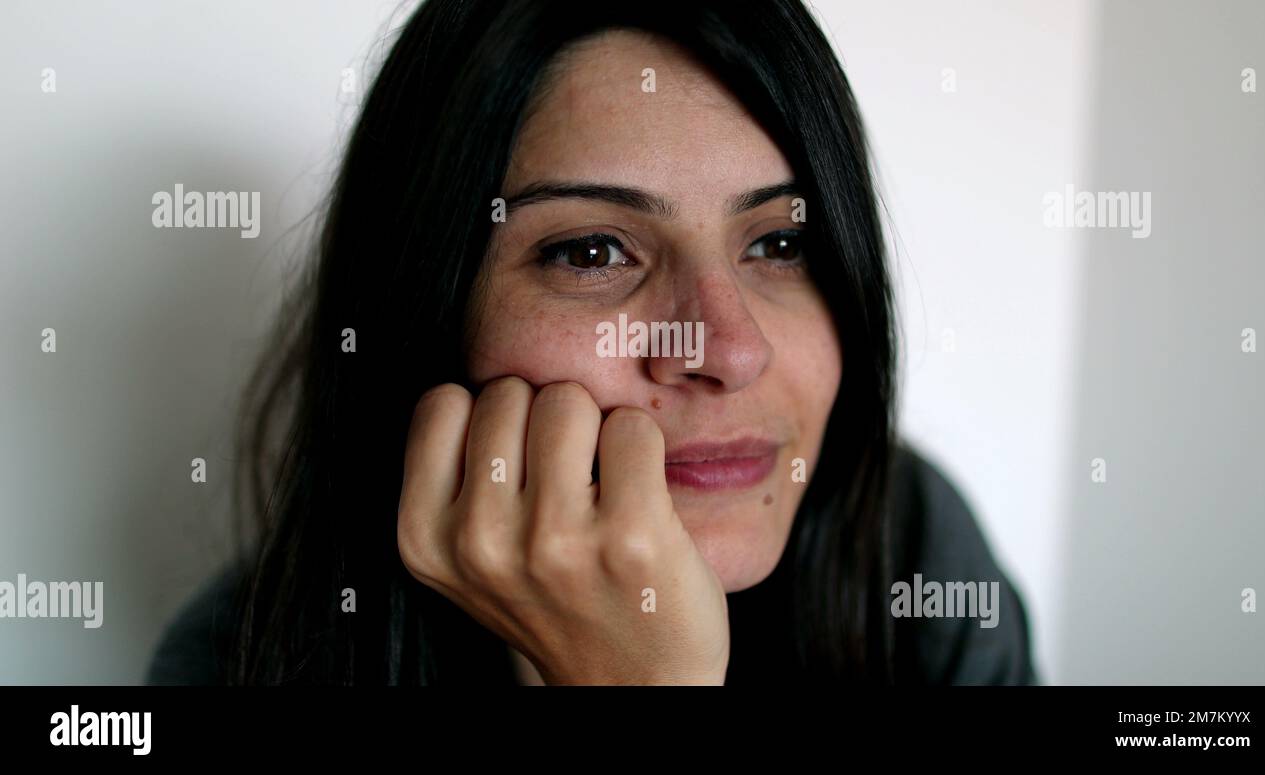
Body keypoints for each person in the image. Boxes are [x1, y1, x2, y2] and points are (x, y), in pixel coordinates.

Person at [147, 0, 1038, 685]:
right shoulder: (239, 661)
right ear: (425, 306)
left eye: (780, 243)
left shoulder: (913, 554)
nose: (728, 350)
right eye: (592, 252)